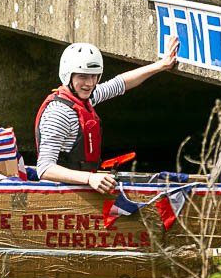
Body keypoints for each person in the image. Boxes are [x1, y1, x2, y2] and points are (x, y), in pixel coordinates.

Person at [35, 37, 180, 192]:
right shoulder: (59, 114)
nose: (90, 83)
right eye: (83, 76)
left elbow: (120, 84)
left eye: (94, 76)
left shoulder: (85, 97)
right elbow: (45, 169)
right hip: (62, 192)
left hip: (83, 185)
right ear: (68, 76)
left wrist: (160, 65)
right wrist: (90, 178)